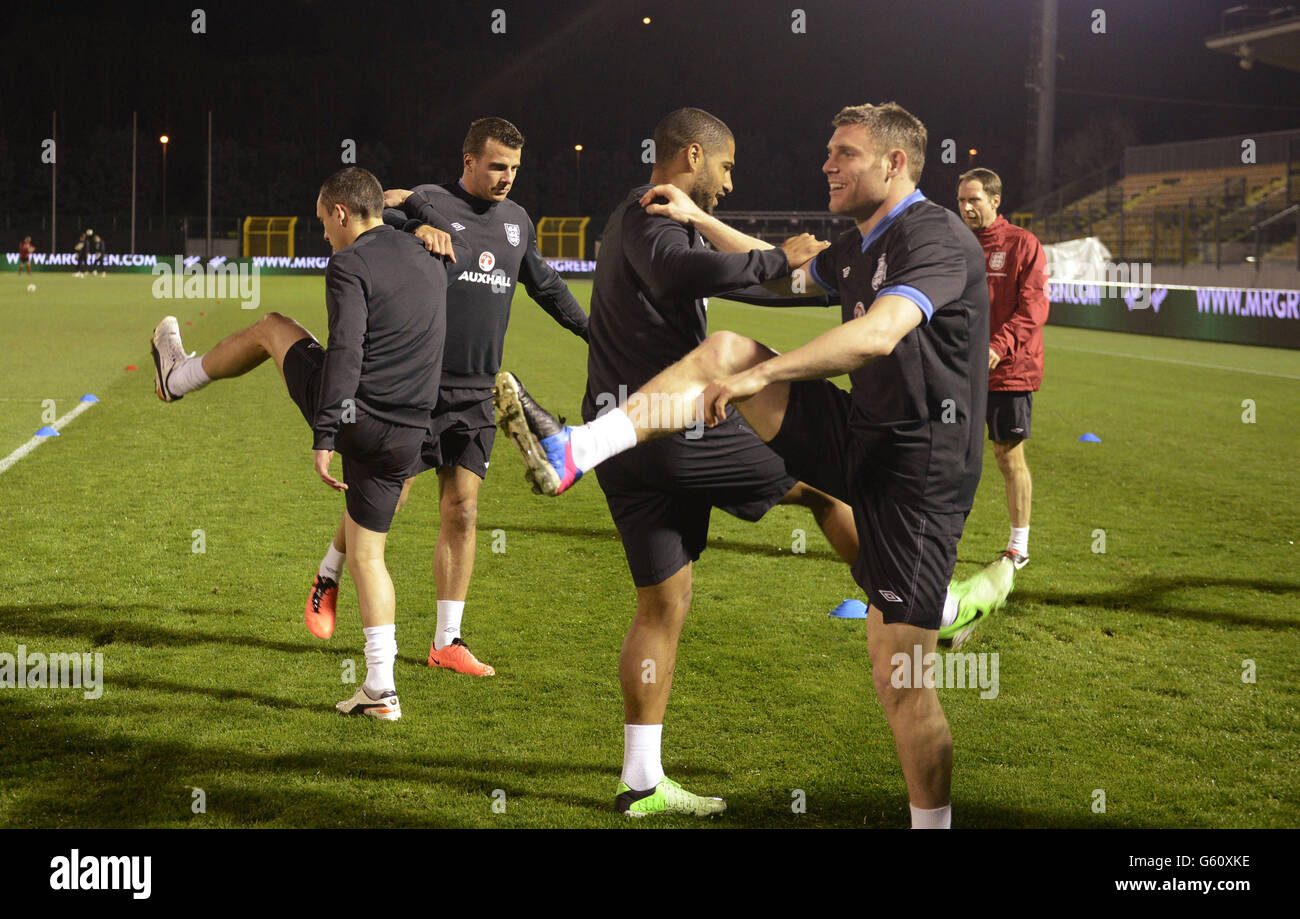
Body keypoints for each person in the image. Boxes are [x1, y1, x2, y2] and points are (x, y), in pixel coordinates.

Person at [501, 102, 1010, 826]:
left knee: (901, 675)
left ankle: (935, 789)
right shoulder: (863, 240)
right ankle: (575, 448)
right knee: (730, 349)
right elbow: (780, 279)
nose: (827, 163)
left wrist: (759, 382)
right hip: (859, 432)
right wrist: (705, 224)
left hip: (918, 471)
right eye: (829, 150)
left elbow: (878, 333)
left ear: (895, 164)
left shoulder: (934, 235)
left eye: (845, 153)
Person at [495, 107, 860, 818]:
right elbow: (681, 271)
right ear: (694, 155)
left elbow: (743, 282)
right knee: (824, 482)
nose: (729, 181)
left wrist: (785, 271)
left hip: (626, 444)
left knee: (662, 602)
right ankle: (915, 604)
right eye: (725, 167)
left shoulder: (648, 215)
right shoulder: (652, 217)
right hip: (670, 431)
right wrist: (771, 257)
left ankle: (641, 778)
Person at [151, 166, 451, 720]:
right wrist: (429, 220)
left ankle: (177, 377)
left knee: (272, 326)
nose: (323, 235)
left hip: (358, 416)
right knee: (371, 556)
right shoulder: (431, 251)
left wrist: (326, 431)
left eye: (323, 222)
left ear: (340, 213)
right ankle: (379, 688)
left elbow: (347, 354)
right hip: (412, 429)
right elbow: (425, 215)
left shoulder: (349, 262)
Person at [304, 117, 590, 679]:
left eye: (513, 168)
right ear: (469, 161)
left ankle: (447, 640)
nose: (506, 177)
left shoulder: (517, 222)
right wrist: (413, 226)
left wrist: (591, 330)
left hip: (478, 390)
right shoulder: (429, 201)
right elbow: (369, 216)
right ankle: (329, 573)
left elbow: (546, 284)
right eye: (496, 166)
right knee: (389, 498)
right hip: (417, 386)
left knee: (462, 510)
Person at [956, 168, 1048, 569]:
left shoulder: (1023, 244)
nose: (965, 207)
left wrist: (998, 345)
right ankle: (943, 535)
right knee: (953, 454)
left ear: (995, 200)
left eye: (973, 199)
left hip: (1010, 370)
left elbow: (1034, 309)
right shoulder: (958, 244)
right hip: (961, 369)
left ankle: (1019, 546)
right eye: (961, 200)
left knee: (1007, 457)